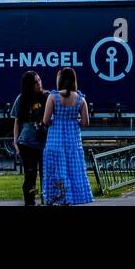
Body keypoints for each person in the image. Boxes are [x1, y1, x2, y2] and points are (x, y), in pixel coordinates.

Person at [41, 67, 93, 206]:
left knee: (56, 171)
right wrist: (72, 120)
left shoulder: (53, 97)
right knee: (73, 171)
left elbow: (45, 121)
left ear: (60, 80)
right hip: (73, 142)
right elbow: (85, 123)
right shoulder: (81, 99)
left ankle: (57, 199)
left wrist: (56, 120)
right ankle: (73, 198)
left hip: (55, 141)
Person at [11, 71, 47, 205]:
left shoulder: (47, 96)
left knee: (46, 176)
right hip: (27, 144)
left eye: (39, 80)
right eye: (35, 82)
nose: (39, 84)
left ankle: (46, 200)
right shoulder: (21, 99)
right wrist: (15, 142)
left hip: (45, 144)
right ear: (28, 85)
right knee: (30, 177)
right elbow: (17, 122)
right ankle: (30, 202)